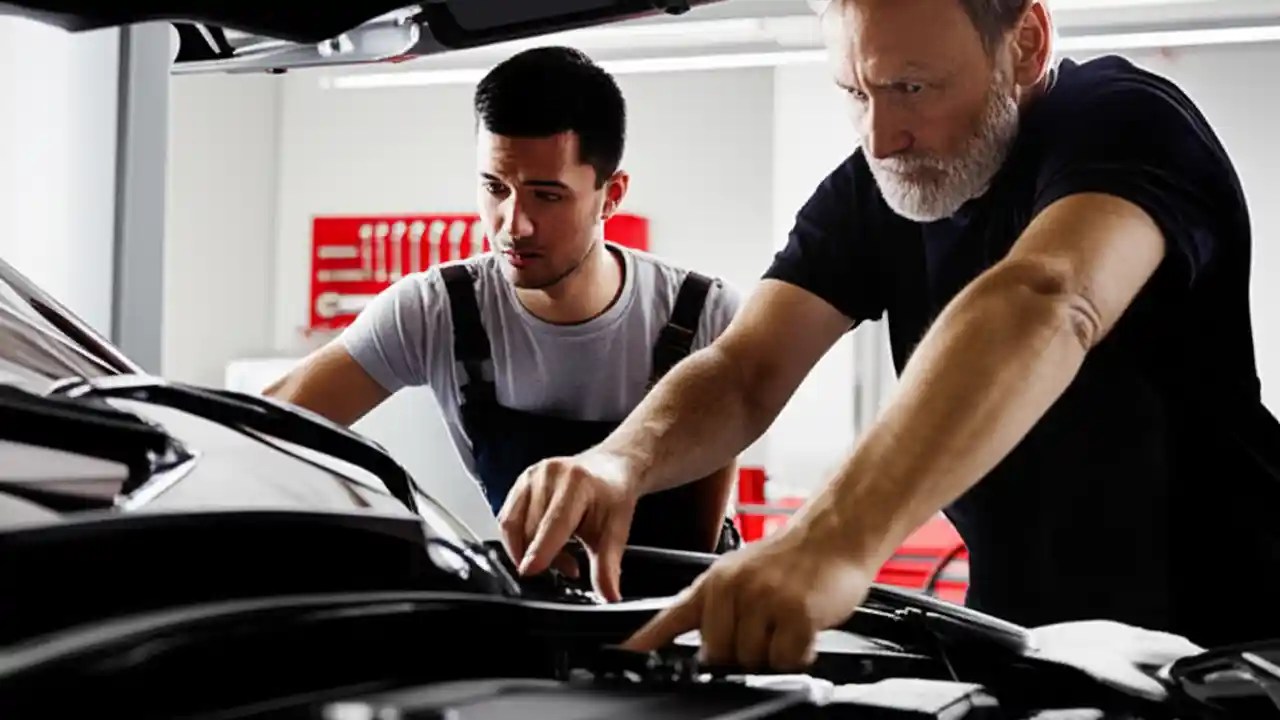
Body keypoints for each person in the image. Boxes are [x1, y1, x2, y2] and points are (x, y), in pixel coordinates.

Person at [497, 0, 1280, 668]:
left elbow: (1051, 294)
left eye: (912, 87)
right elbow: (746, 370)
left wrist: (829, 544)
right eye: (855, 91)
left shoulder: (1125, 123)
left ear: (1026, 45)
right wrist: (616, 463)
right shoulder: (886, 183)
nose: (881, 137)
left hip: (1231, 648)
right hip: (1034, 646)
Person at [264, 46, 746, 597]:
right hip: (538, 620)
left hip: (687, 625)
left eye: (547, 195)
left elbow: (700, 548)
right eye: (495, 187)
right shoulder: (436, 311)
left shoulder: (704, 315)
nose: (513, 225)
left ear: (610, 196)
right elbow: (264, 426)